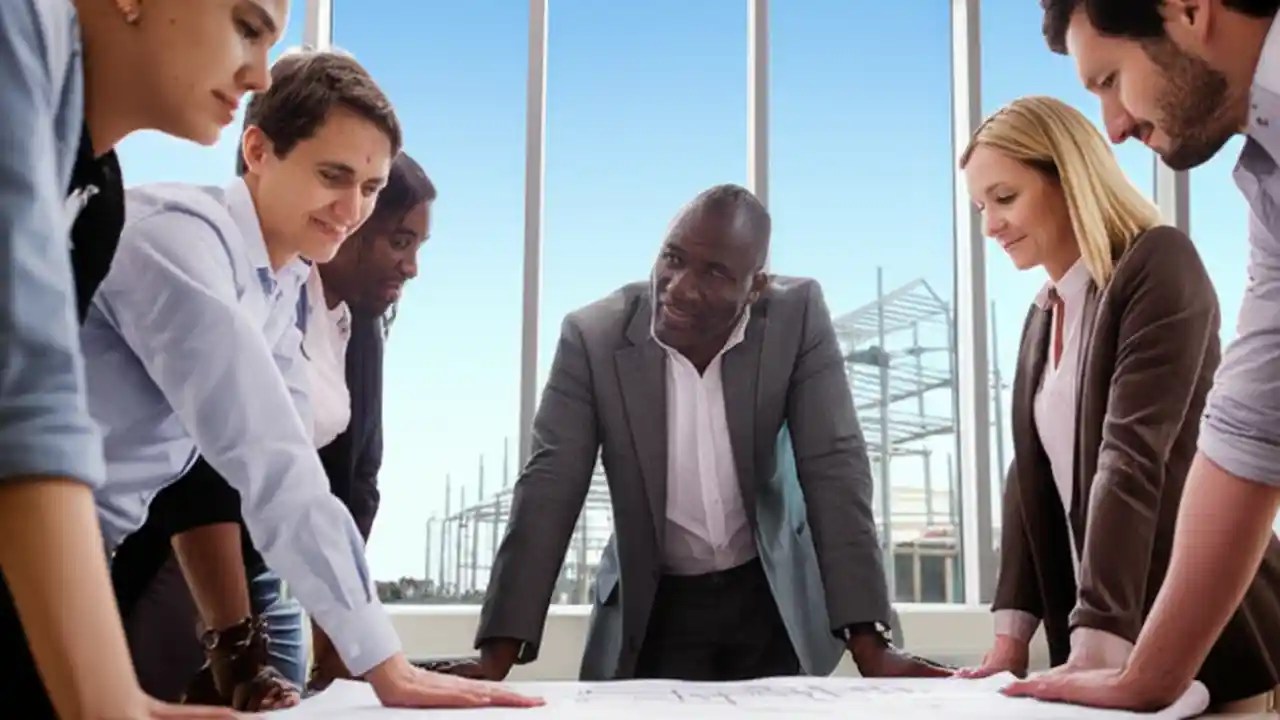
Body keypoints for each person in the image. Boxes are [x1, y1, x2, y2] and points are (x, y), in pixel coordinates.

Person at [81, 49, 540, 711]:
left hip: (87, 552)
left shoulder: (286, 286)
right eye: (334, 175)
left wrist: (372, 654)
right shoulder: (179, 244)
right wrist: (387, 667)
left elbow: (303, 471)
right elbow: (272, 460)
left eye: (372, 187)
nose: (353, 208)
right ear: (259, 150)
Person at [464, 184, 952, 682]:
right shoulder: (592, 338)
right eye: (672, 258)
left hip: (769, 597)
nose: (678, 286)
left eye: (715, 272)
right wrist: (495, 657)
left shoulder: (795, 315)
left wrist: (870, 644)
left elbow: (835, 466)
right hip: (655, 606)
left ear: (755, 286)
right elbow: (550, 485)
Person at [1, 0, 290, 717]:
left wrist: (117, 696)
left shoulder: (97, 199)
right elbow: (27, 400)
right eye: (245, 25)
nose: (258, 74)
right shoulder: (16, 28)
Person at [956, 94, 1280, 711]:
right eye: (979, 207)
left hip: (1210, 647)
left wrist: (1099, 645)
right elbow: (1029, 482)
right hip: (1109, 649)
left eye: (1004, 198)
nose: (989, 225)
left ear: (1068, 178)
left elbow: (1130, 455)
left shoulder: (1158, 264)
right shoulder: (1043, 314)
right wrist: (1009, 639)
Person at [109, 150, 436, 708]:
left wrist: (348, 653)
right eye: (399, 242)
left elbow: (354, 484)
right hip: (188, 557)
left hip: (269, 560)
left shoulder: (356, 323)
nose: (411, 267)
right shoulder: (232, 274)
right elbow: (212, 481)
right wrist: (234, 646)